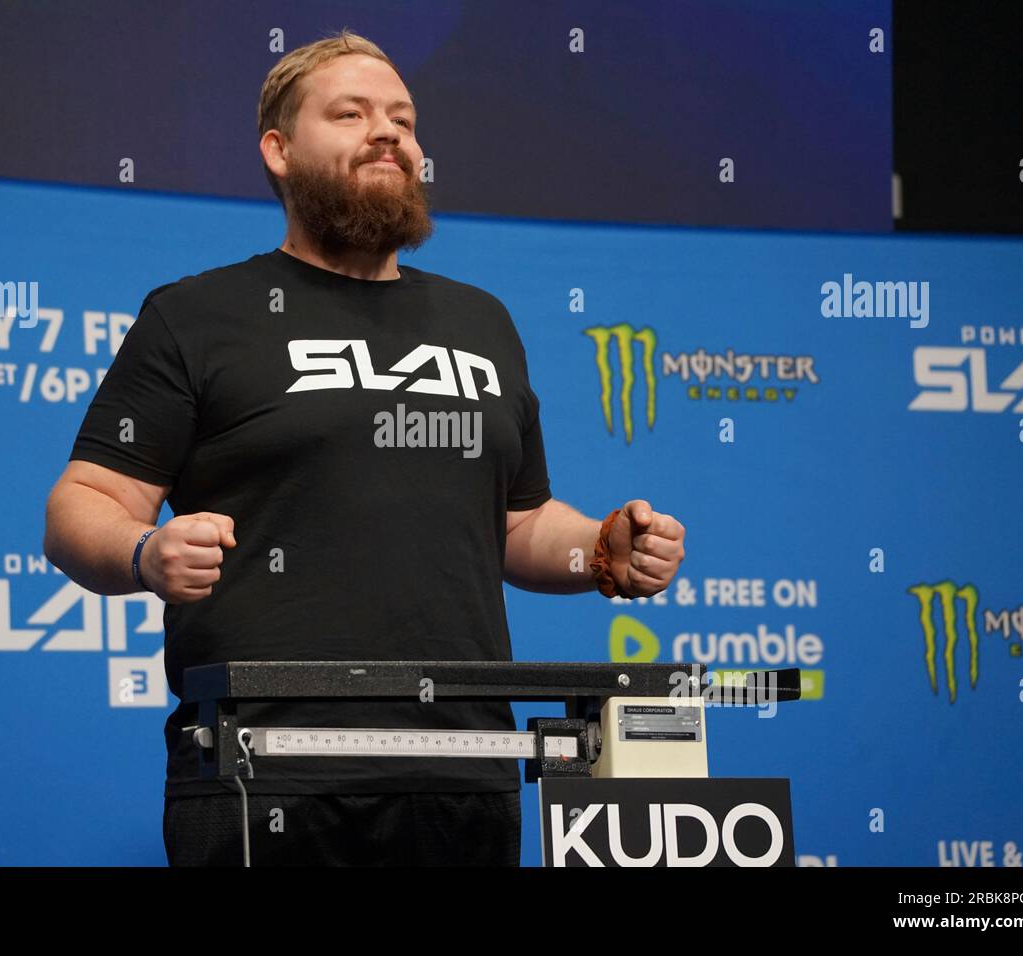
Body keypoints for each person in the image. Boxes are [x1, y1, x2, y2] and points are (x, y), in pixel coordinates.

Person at [42, 29, 686, 867]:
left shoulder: (480, 323)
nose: (389, 133)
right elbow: (79, 506)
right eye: (350, 114)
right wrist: (144, 550)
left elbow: (520, 526)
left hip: (466, 770)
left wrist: (600, 550)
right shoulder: (196, 317)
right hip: (265, 772)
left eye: (404, 119)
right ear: (278, 151)